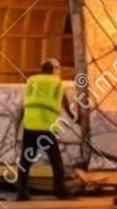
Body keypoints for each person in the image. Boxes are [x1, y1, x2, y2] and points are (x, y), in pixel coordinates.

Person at [13, 59, 76, 201]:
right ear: (53, 70)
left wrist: (17, 126)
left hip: (30, 125)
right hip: (46, 128)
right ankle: (60, 192)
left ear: (41, 69)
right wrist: (75, 117)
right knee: (56, 161)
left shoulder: (31, 81)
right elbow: (65, 104)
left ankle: (21, 193)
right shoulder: (57, 82)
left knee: (25, 161)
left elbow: (24, 104)